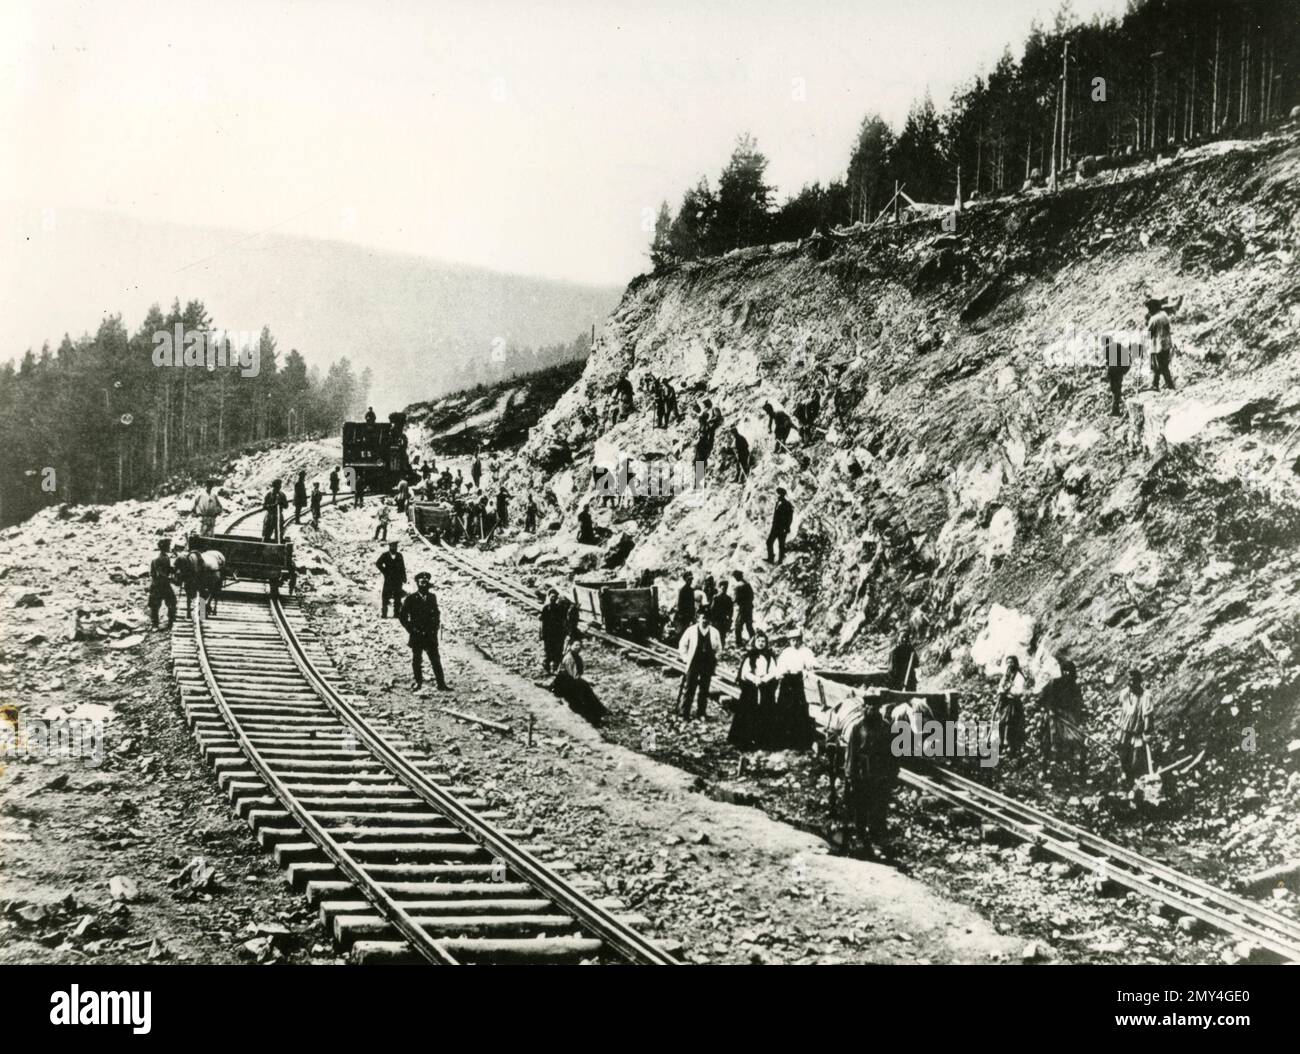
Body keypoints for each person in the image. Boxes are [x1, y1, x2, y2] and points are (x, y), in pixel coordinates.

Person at [730, 631, 777, 754]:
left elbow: (773, 671)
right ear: (755, 642)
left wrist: (764, 679)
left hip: (765, 687)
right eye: (759, 641)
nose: (761, 644)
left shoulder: (769, 656)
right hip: (751, 687)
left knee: (765, 712)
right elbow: (744, 672)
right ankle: (745, 741)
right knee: (748, 712)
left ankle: (763, 741)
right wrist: (755, 679)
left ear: (766, 643)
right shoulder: (750, 655)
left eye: (763, 641)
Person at [399, 571, 447, 691]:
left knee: (435, 660)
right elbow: (403, 617)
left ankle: (441, 684)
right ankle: (418, 683)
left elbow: (436, 613)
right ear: (417, 583)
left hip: (430, 635)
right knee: (417, 660)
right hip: (417, 635)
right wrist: (412, 629)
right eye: (422, 582)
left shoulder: (432, 597)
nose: (424, 585)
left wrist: (435, 627)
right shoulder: (410, 599)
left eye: (426, 582)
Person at [1039, 658, 1087, 774]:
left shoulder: (1075, 687)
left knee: (1076, 739)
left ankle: (1078, 767)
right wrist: (1050, 709)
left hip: (1068, 716)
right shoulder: (1054, 683)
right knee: (1048, 739)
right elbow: (1044, 697)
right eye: (1064, 671)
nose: (1066, 674)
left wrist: (1077, 716)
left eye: (1069, 671)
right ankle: (1044, 767)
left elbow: (1078, 703)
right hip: (1054, 715)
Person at [771, 629, 816, 750]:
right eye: (792, 640)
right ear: (789, 641)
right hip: (787, 681)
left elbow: (811, 665)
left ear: (801, 640)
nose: (795, 643)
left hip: (799, 682)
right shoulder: (786, 652)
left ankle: (800, 741)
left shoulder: (806, 652)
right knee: (785, 709)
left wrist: (808, 669)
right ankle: (784, 740)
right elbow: (779, 668)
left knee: (799, 710)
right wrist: (780, 674)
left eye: (797, 640)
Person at [550, 634, 607, 725]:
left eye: (579, 645)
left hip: (572, 680)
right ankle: (594, 717)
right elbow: (574, 675)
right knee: (582, 692)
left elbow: (578, 673)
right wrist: (588, 680)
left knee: (586, 688)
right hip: (564, 682)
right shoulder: (569, 658)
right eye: (576, 645)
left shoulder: (576, 656)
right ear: (571, 646)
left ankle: (598, 711)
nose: (578, 647)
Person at [677, 609, 722, 720]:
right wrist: (686, 658)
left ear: (710, 620)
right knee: (690, 688)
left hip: (707, 664)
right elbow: (682, 645)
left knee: (704, 689)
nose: (705, 620)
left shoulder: (714, 632)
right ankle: (685, 713)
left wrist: (716, 658)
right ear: (698, 618)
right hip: (694, 663)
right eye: (703, 618)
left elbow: (719, 648)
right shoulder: (691, 630)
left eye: (707, 619)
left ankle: (701, 713)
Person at [1117, 668, 1154, 782]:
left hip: (1137, 732)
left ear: (1139, 681)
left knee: (1135, 760)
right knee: (1123, 755)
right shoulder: (1125, 693)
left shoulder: (1146, 696)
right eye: (1130, 680)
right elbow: (1121, 708)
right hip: (1125, 730)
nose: (1131, 683)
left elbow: (1147, 715)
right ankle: (1125, 777)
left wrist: (1147, 731)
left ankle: (1135, 779)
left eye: (1134, 681)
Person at [996, 655, 1031, 760]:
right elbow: (1000, 686)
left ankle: (1012, 750)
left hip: (1014, 703)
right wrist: (1002, 690)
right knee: (1002, 724)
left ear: (1015, 663)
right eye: (1008, 662)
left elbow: (1019, 691)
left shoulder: (1019, 676)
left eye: (1011, 662)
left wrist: (1009, 690)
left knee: (1011, 725)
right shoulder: (1006, 674)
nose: (1009, 664)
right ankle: (1002, 746)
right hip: (1005, 702)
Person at [1145, 294, 1183, 392]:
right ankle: (1155, 384)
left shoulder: (1153, 319)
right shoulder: (1164, 315)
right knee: (1162, 365)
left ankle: (1169, 384)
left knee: (1161, 366)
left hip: (1158, 346)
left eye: (1149, 308)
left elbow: (1149, 334)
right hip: (1167, 343)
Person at [148, 538, 177, 630]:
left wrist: (175, 570)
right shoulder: (157, 559)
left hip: (164, 584)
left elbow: (168, 569)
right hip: (158, 585)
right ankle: (155, 625)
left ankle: (170, 623)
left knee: (172, 602)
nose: (169, 547)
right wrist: (171, 579)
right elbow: (160, 573)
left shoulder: (165, 557)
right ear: (164, 547)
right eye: (168, 546)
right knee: (155, 605)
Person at [539, 588, 570, 674]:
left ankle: (556, 668)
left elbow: (564, 620)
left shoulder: (560, 608)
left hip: (558, 633)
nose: (553, 598)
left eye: (555, 597)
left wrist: (565, 631)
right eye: (551, 597)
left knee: (558, 650)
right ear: (549, 597)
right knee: (548, 650)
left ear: (557, 598)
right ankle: (547, 667)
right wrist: (541, 633)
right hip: (548, 633)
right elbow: (542, 622)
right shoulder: (546, 608)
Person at [376, 541, 407, 619]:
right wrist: (385, 572)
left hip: (398, 579)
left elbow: (403, 567)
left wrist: (404, 577)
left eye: (395, 546)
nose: (394, 548)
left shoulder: (399, 555)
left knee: (398, 596)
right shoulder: (385, 555)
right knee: (385, 595)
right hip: (388, 579)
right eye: (392, 546)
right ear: (389, 547)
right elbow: (378, 563)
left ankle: (396, 613)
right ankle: (384, 613)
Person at [766, 487, 794, 563]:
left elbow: (790, 517)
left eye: (779, 494)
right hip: (775, 527)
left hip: (782, 528)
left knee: (781, 545)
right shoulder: (778, 503)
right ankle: (771, 558)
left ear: (782, 495)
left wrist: (787, 527)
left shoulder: (787, 504)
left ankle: (780, 561)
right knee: (769, 542)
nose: (778, 496)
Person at [731, 570, 754, 647]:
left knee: (738, 626)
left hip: (743, 609)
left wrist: (733, 602)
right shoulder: (747, 584)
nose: (735, 578)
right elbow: (752, 596)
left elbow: (736, 599)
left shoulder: (738, 586)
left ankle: (739, 643)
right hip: (749, 608)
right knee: (749, 626)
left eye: (735, 577)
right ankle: (753, 640)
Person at [709, 579, 734, 643]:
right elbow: (712, 609)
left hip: (723, 620)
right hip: (716, 620)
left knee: (722, 636)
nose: (724, 590)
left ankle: (721, 649)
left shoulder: (728, 599)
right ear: (720, 588)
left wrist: (729, 620)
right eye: (723, 588)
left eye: (725, 588)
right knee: (715, 635)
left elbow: (731, 611)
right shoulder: (716, 597)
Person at [672, 572, 696, 638]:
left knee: (688, 631)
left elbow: (692, 603)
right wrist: (681, 614)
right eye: (689, 580)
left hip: (689, 614)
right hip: (683, 615)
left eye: (691, 580)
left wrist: (693, 615)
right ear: (685, 580)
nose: (690, 581)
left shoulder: (691, 590)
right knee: (682, 632)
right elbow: (679, 604)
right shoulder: (682, 590)